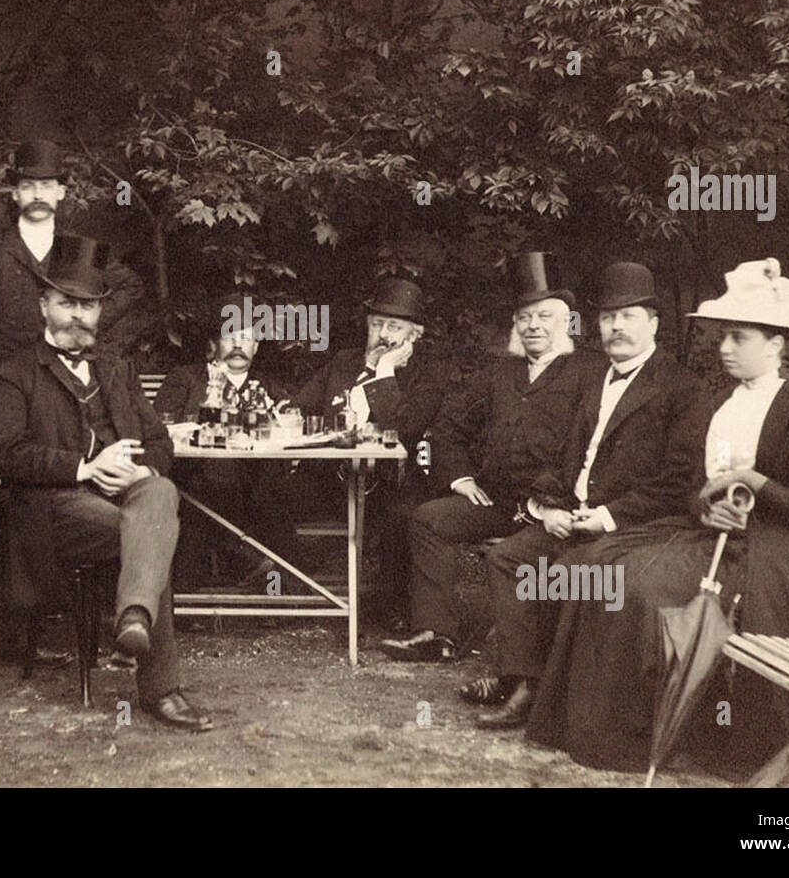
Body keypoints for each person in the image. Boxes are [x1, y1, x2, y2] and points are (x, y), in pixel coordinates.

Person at [526, 259, 789, 771]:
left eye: (737, 339)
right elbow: (697, 491)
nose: (723, 350)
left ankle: (665, 735)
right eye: (722, 338)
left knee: (641, 591)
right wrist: (709, 508)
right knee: (606, 568)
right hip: (720, 539)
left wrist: (757, 486)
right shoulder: (727, 405)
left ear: (776, 344)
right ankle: (594, 730)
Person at [0, 234, 212, 731]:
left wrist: (143, 469)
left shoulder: (116, 368)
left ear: (100, 313)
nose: (78, 317)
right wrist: (85, 466)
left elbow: (160, 443)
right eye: (67, 304)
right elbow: (6, 454)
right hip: (54, 507)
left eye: (88, 307)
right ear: (43, 304)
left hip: (126, 498)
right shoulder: (13, 373)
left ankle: (133, 619)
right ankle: (161, 689)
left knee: (160, 493)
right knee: (151, 531)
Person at [471, 262, 710, 729]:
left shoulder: (683, 389)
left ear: (654, 324)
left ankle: (553, 695)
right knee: (511, 559)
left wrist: (606, 516)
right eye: (607, 318)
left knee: (564, 572)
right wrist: (548, 507)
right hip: (575, 515)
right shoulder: (593, 378)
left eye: (629, 317)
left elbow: (681, 481)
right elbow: (567, 458)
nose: (616, 326)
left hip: (639, 528)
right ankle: (524, 681)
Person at [382, 253, 600, 663]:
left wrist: (552, 504)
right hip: (500, 503)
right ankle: (436, 632)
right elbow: (448, 425)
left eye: (544, 317)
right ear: (515, 324)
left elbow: (591, 446)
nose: (533, 326)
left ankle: (524, 654)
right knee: (429, 519)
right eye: (525, 318)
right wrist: (461, 477)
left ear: (566, 322)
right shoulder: (500, 374)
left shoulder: (589, 374)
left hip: (559, 508)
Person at [290, 276, 448, 622]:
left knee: (402, 516)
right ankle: (295, 589)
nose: (384, 335)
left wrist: (385, 372)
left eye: (394, 326)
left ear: (414, 336)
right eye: (377, 324)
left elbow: (404, 431)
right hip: (330, 478)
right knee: (270, 492)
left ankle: (390, 605)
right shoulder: (344, 362)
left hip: (390, 481)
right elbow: (298, 406)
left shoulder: (428, 373)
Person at [154, 294, 298, 587]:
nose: (237, 345)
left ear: (256, 347)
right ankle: (247, 560)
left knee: (274, 495)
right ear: (214, 345)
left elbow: (289, 427)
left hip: (256, 484)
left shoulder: (268, 386)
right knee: (212, 489)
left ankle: (275, 592)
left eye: (246, 338)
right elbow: (160, 425)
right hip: (194, 480)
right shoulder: (185, 379)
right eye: (229, 336)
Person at [0, 139, 138, 367]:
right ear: (15, 194)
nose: (37, 195)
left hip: (61, 370)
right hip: (1, 372)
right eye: (28, 186)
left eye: (46, 186)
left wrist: (83, 324)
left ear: (61, 192)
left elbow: (130, 287)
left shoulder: (77, 248)